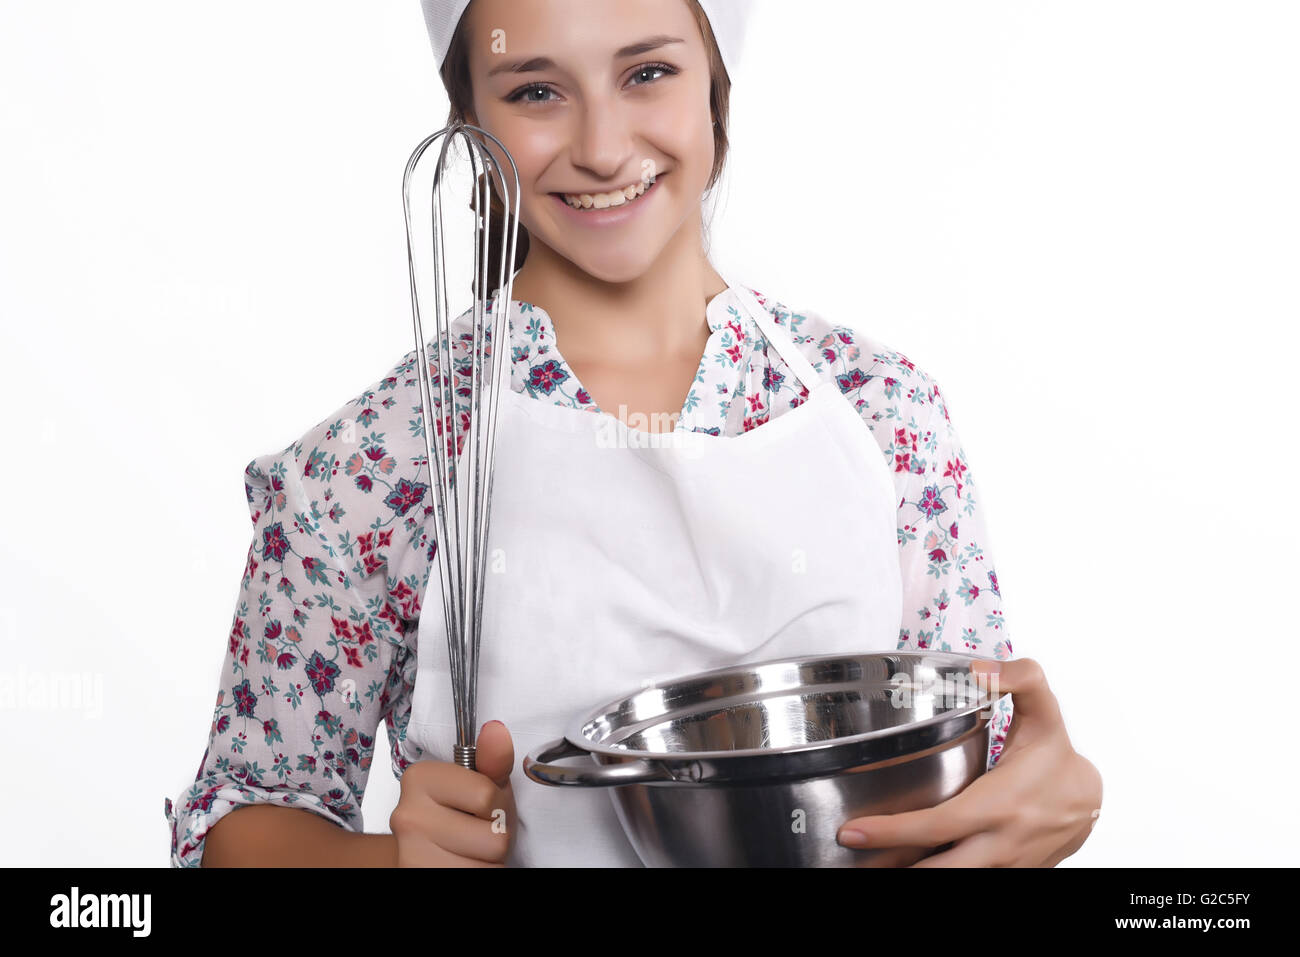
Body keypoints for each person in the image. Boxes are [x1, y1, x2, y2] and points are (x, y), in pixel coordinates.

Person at [165, 0, 1100, 868]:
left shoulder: (879, 411)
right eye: (536, 90)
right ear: (468, 118)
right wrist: (391, 865)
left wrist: (1054, 792)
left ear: (715, 81)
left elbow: (978, 757)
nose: (604, 149)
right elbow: (238, 819)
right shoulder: (374, 465)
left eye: (647, 73)